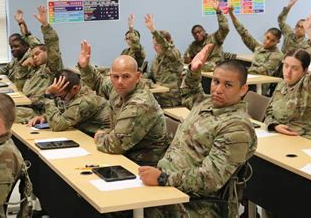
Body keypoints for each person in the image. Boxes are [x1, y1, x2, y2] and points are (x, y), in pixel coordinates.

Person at [138, 45, 257, 217]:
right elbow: (188, 93)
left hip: (196, 204)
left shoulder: (236, 128)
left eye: (228, 85)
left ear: (243, 89)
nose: (218, 89)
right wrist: (194, 72)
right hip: (170, 189)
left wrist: (163, 179)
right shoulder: (208, 103)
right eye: (216, 82)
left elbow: (211, 179)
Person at [78, 40, 169, 166]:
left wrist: (99, 135)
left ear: (137, 77)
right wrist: (85, 67)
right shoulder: (120, 89)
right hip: (125, 156)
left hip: (142, 164)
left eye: (126, 76)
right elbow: (99, 82)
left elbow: (114, 145)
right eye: (115, 77)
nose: (120, 81)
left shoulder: (140, 104)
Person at [265, 9, 311, 145]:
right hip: (283, 139)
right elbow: (270, 111)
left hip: (310, 142)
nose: (288, 72)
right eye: (286, 66)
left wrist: (309, 32)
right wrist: (274, 125)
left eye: (294, 68)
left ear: (305, 70)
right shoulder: (282, 84)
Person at [28, 69, 111, 136]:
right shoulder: (70, 93)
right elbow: (63, 110)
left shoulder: (85, 101)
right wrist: (45, 117)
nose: (60, 99)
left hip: (101, 136)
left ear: (74, 89)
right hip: (84, 133)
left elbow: (57, 125)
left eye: (61, 97)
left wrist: (49, 96)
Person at [0, 9, 41, 91]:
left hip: (27, 94)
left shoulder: (33, 58)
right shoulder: (16, 60)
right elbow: (5, 69)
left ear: (26, 46)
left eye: (16, 46)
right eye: (11, 47)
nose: (13, 49)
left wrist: (22, 25)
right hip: (14, 90)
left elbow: (38, 46)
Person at [228, 6, 284, 78]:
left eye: (272, 41)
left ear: (278, 42)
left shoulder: (277, 55)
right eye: (267, 38)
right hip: (249, 77)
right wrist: (231, 15)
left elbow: (264, 70)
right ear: (265, 34)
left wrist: (242, 70)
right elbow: (243, 33)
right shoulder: (258, 47)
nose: (268, 42)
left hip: (261, 83)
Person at [143, 14, 184, 107]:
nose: (154, 47)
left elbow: (166, 47)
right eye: (153, 44)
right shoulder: (157, 58)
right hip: (158, 96)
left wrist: (153, 30)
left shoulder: (173, 54)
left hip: (169, 98)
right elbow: (151, 75)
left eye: (156, 45)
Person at [183, 0, 229, 71]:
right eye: (195, 34)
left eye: (199, 32)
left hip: (217, 68)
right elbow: (186, 57)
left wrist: (218, 12)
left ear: (204, 31)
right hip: (203, 71)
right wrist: (188, 58)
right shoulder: (194, 45)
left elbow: (225, 28)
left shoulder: (215, 38)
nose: (197, 34)